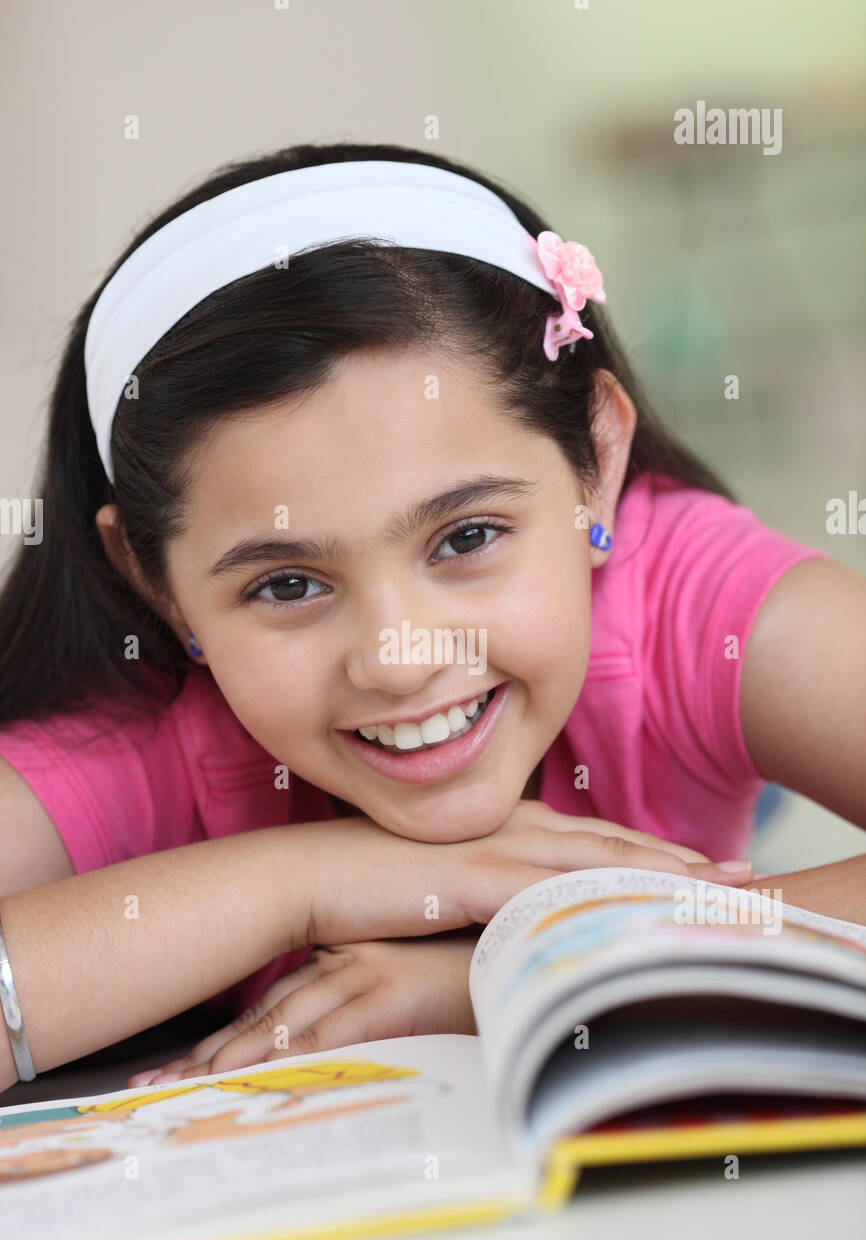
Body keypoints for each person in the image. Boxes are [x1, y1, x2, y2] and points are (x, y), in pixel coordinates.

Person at [0, 143, 862, 1094]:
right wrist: (306, 883)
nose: (400, 661)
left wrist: (528, 974)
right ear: (153, 582)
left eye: (468, 537)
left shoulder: (697, 603)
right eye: (287, 585)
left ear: (598, 460)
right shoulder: (147, 726)